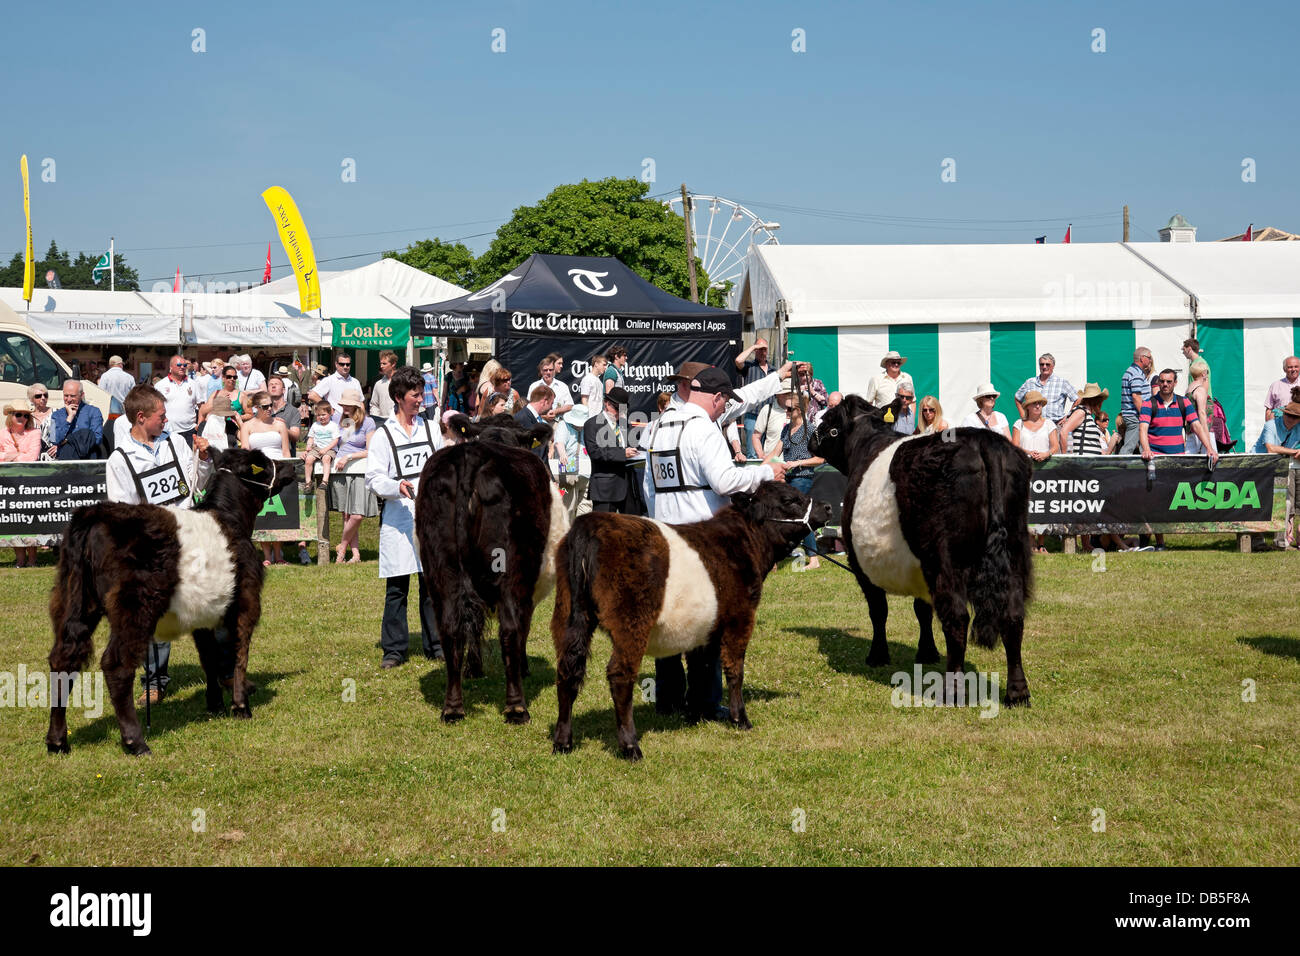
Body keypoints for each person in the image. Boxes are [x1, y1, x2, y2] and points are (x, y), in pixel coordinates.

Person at [642, 367, 789, 719]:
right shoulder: (703, 430)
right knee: (707, 621)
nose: (725, 412)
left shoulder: (656, 426)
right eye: (724, 404)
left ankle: (668, 699)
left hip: (666, 534)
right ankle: (705, 703)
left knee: (668, 617)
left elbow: (647, 485)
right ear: (717, 397)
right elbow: (724, 481)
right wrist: (766, 472)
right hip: (704, 540)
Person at [107, 385, 217, 706]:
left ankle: (221, 673)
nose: (167, 421)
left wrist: (206, 459)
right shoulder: (120, 459)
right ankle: (154, 680)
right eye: (161, 416)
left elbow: (197, 483)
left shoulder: (175, 445)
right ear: (141, 418)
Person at [365, 366, 443, 668]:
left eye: (421, 393)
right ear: (399, 398)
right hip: (398, 518)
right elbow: (373, 478)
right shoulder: (384, 434)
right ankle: (394, 650)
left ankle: (436, 644)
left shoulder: (430, 428)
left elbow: (440, 464)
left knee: (431, 583)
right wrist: (396, 486)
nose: (420, 399)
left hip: (429, 516)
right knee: (397, 586)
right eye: (414, 395)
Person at [1139, 369, 1219, 550]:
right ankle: (1155, 541)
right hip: (1155, 460)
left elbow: (1197, 425)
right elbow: (1142, 429)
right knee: (1154, 501)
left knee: (1173, 500)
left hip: (1177, 459)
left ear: (1175, 383)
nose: (1165, 384)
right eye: (1162, 381)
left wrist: (1209, 448)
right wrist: (1146, 450)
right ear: (1158, 383)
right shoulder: (1148, 404)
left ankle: (1155, 536)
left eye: (1168, 381)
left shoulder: (1183, 402)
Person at [240, 390, 292, 565]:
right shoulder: (247, 426)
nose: (269, 409)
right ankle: (266, 555)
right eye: (265, 406)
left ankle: (278, 554)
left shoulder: (279, 425)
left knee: (279, 513)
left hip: (278, 472)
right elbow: (245, 450)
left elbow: (286, 450)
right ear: (256, 408)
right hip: (258, 474)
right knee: (261, 514)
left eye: (271, 405)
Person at [327, 389, 377, 564]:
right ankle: (355, 555)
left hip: (359, 468)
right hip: (340, 470)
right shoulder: (340, 420)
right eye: (343, 404)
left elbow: (369, 450)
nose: (344, 407)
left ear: (356, 406)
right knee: (347, 515)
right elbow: (338, 443)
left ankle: (341, 547)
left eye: (348, 404)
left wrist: (349, 457)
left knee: (357, 515)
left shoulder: (368, 422)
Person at [773, 398, 824, 569]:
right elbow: (775, 452)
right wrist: (760, 467)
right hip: (788, 478)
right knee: (796, 517)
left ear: (799, 410)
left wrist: (797, 463)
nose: (785, 411)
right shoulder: (786, 429)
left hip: (803, 477)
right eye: (785, 408)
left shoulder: (810, 429)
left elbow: (820, 458)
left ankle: (812, 557)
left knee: (797, 516)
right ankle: (808, 557)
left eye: (789, 409)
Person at [1253, 400, 1300, 549]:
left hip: (1281, 467)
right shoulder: (1271, 425)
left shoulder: (1298, 427)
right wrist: (1294, 452)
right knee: (1258, 503)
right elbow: (1270, 449)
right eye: (1288, 415)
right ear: (1284, 413)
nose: (1291, 419)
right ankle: (1256, 540)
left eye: (1295, 417)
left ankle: (1280, 542)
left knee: (1285, 504)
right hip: (1259, 467)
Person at [2, 399, 43, 567]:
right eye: (18, 414)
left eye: (26, 415)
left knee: (30, 520)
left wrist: (10, 456)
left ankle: (32, 559)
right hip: (9, 484)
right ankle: (20, 559)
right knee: (15, 520)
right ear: (11, 416)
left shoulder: (35, 433)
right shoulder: (2, 433)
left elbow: (33, 457)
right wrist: (7, 456)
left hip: (29, 482)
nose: (22, 418)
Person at [584, 386, 638, 513]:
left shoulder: (625, 424)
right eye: (617, 409)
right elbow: (595, 452)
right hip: (605, 489)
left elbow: (631, 444)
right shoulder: (592, 424)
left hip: (627, 487)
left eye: (622, 410)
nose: (619, 413)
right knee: (604, 530)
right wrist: (623, 453)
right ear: (606, 404)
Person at [733, 337, 773, 452]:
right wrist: (754, 347)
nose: (762, 352)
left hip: (769, 415)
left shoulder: (773, 370)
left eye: (764, 349)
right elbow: (738, 361)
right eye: (759, 349)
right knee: (752, 453)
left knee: (768, 452)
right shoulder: (749, 367)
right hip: (753, 414)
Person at [155, 355, 203, 447]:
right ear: (171, 367)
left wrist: (199, 424)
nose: (182, 367)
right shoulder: (160, 385)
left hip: (189, 432)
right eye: (179, 364)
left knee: (190, 459)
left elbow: (201, 406)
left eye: (184, 365)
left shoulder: (193, 384)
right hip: (168, 431)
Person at [553, 405, 591, 521]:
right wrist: (562, 454)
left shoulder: (588, 427)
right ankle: (567, 535)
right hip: (569, 471)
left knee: (586, 509)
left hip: (586, 472)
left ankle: (582, 534)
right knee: (567, 508)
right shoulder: (563, 425)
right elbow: (559, 442)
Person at [1013, 353, 1077, 421]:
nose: (1044, 367)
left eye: (1047, 364)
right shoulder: (1030, 382)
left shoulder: (1062, 382)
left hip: (1056, 424)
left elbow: (1078, 400)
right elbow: (1017, 398)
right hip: (1034, 425)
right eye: (1042, 364)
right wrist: (1024, 417)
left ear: (1053, 366)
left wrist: (1068, 417)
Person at [50, 380, 104, 453]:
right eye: (66, 395)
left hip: (87, 458)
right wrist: (69, 418)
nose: (68, 399)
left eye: (72, 396)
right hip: (65, 458)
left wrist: (67, 440)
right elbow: (54, 440)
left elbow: (97, 439)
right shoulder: (56, 415)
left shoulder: (94, 412)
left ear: (81, 395)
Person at [1119, 347, 1154, 454]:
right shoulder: (1137, 374)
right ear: (1142, 358)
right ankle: (1120, 468)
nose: (1151, 360)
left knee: (1144, 447)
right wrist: (1144, 415)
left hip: (1133, 415)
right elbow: (1136, 397)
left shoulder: (1132, 371)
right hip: (1135, 416)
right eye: (1149, 357)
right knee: (1128, 447)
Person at [1058, 384, 1110, 454]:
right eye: (1101, 400)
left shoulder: (1087, 414)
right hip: (1081, 461)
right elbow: (1064, 432)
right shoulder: (1081, 412)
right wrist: (1067, 457)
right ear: (1097, 400)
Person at [1184, 359, 1216, 455]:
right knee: (1211, 458)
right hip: (1202, 429)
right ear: (1203, 373)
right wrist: (1207, 440)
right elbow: (1202, 413)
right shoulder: (1200, 390)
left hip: (1191, 429)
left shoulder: (1189, 389)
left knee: (1190, 460)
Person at [514, 384, 555, 460]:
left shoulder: (536, 419)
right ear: (544, 401)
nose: (551, 407)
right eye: (551, 403)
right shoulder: (522, 418)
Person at [528, 354, 574, 420]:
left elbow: (570, 405)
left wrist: (556, 411)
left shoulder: (562, 386)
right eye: (545, 370)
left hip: (557, 423)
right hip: (538, 422)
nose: (548, 372)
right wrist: (544, 417)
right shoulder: (534, 386)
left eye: (551, 370)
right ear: (541, 371)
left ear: (554, 370)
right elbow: (529, 407)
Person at [751, 391, 792, 458]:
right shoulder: (767, 409)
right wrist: (761, 455)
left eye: (791, 392)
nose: (789, 395)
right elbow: (756, 436)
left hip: (793, 464)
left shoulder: (799, 410)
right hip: (772, 463)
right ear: (777, 394)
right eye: (785, 393)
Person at [266, 376, 301, 444]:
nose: (273, 386)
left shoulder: (293, 411)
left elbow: (296, 437)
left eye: (276, 384)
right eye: (271, 384)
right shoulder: (263, 410)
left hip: (285, 452)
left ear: (283, 390)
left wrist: (281, 427)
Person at [1265, 356, 1300, 423]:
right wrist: (1269, 426)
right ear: (1284, 369)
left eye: (1296, 366)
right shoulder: (1275, 385)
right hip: (1280, 426)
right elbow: (1269, 409)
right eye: (1290, 367)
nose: (1293, 369)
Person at [369, 349, 397, 425]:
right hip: (382, 422)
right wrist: (376, 420)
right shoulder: (378, 384)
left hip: (400, 421)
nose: (381, 366)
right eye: (381, 363)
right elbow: (374, 404)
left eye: (384, 364)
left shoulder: (402, 381)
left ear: (393, 364)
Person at [27, 383, 54, 448]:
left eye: (45, 395)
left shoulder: (55, 413)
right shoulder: (27, 416)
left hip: (53, 454)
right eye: (38, 396)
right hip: (33, 454)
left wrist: (58, 446)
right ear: (31, 399)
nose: (43, 398)